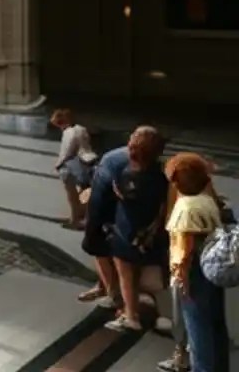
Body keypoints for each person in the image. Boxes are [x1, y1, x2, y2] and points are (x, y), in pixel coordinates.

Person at [81, 125, 167, 314]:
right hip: (126, 218)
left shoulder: (121, 163)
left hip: (108, 210)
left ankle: (114, 295)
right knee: (119, 256)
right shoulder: (156, 170)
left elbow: (108, 189)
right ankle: (107, 288)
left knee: (102, 249)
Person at [163, 152, 228, 372]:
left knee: (197, 329)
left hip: (193, 274)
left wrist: (180, 278)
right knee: (215, 324)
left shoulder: (185, 208)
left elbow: (183, 248)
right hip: (212, 266)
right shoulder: (207, 200)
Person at [103, 126, 170, 333]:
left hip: (128, 233)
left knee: (126, 275)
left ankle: (130, 316)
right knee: (157, 275)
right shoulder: (161, 173)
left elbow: (120, 194)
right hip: (153, 233)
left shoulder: (128, 174)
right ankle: (164, 316)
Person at [53, 109, 97, 229]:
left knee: (72, 195)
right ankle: (85, 216)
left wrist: (58, 164)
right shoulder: (81, 128)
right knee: (86, 191)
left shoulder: (68, 132)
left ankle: (75, 219)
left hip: (73, 165)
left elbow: (67, 152)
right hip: (90, 161)